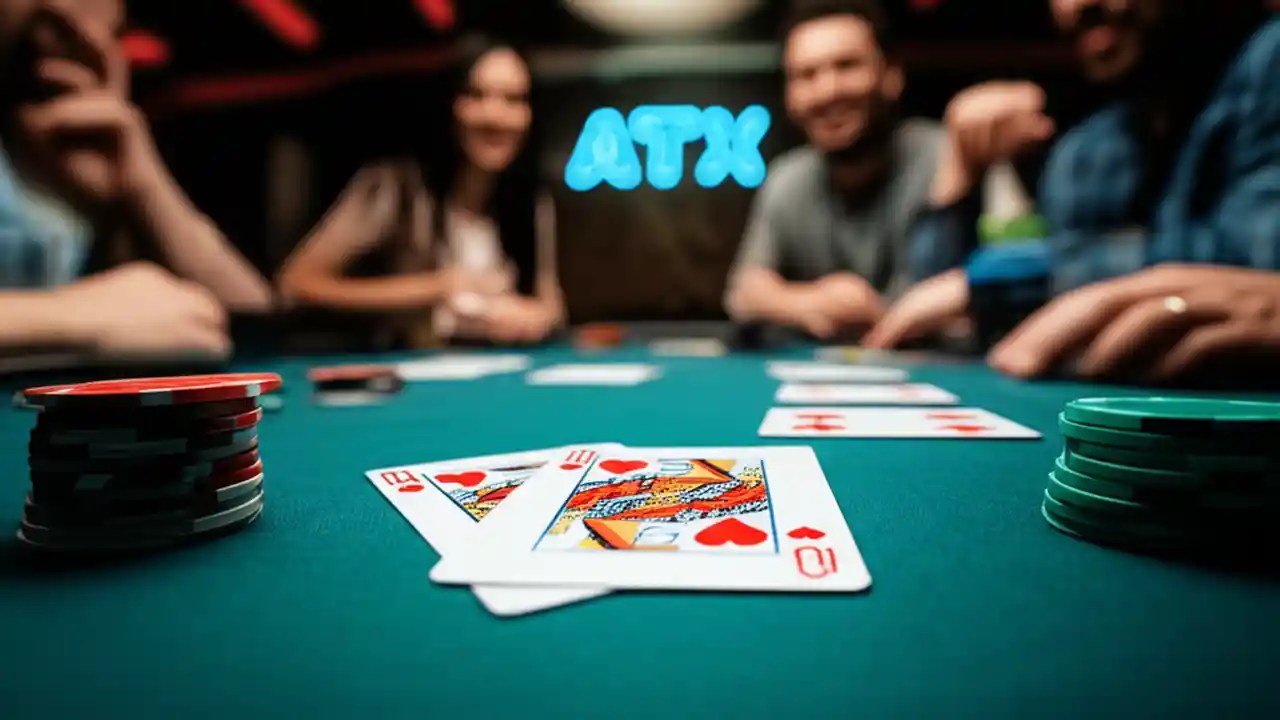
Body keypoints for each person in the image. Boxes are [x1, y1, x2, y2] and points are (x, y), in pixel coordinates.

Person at [864, 0, 1279, 382]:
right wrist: (959, 168)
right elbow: (929, 313)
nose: (1079, 5)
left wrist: (1001, 281)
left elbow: (1252, 269)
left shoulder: (1269, 61)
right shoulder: (1088, 149)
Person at [0, 0, 272, 359]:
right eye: (57, 28)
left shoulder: (62, 145)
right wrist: (72, 317)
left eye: (113, 32)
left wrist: (142, 186)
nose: (95, 46)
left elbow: (255, 328)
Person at [277, 37, 563, 347]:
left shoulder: (530, 202)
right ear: (450, 103)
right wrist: (437, 287)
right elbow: (297, 283)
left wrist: (533, 318)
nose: (495, 115)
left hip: (499, 374)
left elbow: (551, 305)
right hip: (400, 371)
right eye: (475, 95)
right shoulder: (394, 186)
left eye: (514, 99)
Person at [722, 0, 943, 340]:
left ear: (891, 75)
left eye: (847, 66)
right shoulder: (787, 179)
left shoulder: (948, 157)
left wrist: (882, 313)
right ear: (789, 94)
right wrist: (809, 302)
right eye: (806, 75)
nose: (828, 91)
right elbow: (743, 292)